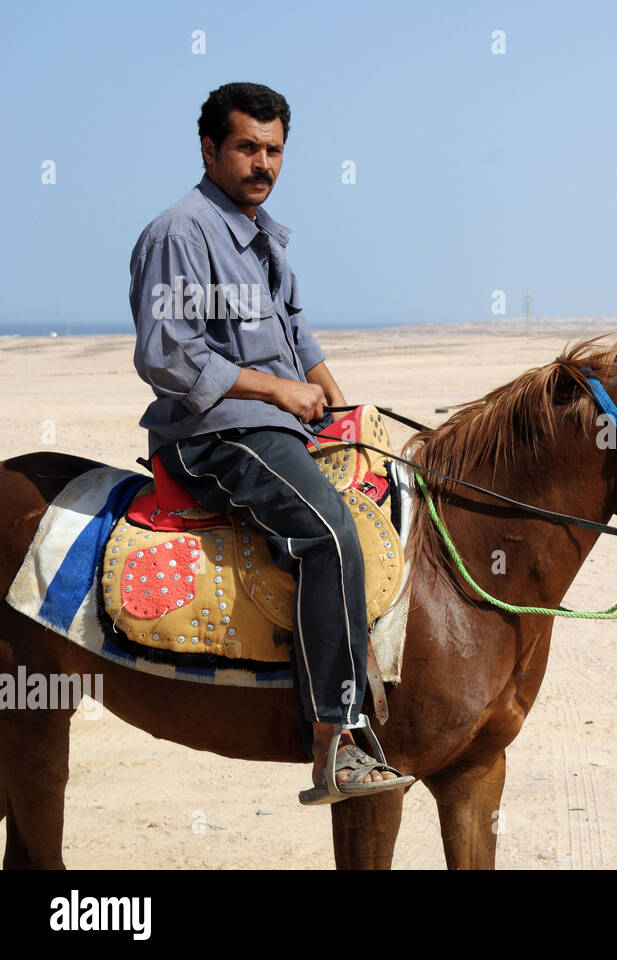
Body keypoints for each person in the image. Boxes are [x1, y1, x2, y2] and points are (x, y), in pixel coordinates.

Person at [128, 82, 412, 804]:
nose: (263, 164)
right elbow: (168, 354)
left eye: (275, 150)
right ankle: (333, 741)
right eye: (247, 148)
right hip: (218, 433)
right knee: (327, 530)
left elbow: (302, 342)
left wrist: (347, 414)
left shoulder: (266, 242)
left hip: (280, 426)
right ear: (209, 149)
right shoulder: (180, 233)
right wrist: (275, 391)